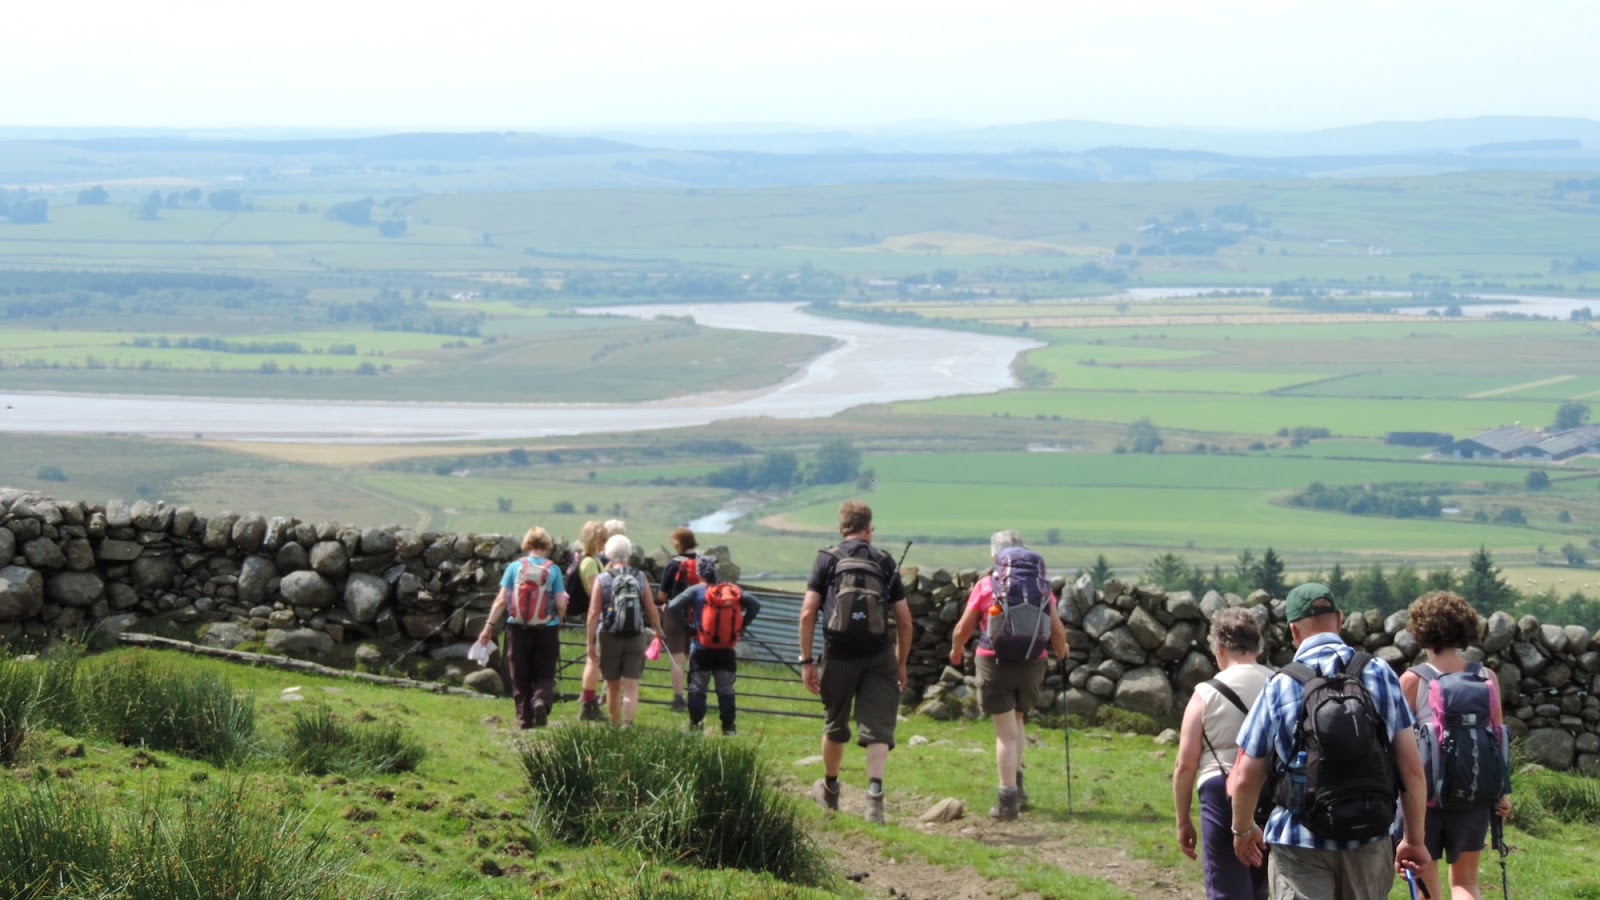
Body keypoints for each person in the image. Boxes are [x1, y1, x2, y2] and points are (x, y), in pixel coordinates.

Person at [1229, 582, 1432, 900]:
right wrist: (1414, 840)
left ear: (1294, 630)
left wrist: (1242, 830)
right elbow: (1411, 767)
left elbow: (1246, 774)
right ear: (1339, 619)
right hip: (1369, 837)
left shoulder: (1280, 684)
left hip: (1299, 841)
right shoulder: (1378, 672)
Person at [799, 500, 912, 825]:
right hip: (878, 654)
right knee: (878, 728)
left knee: (835, 722)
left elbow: (808, 612)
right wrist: (900, 662)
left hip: (837, 653)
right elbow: (905, 621)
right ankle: (874, 799)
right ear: (869, 529)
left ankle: (831, 789)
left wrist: (807, 661)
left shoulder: (827, 558)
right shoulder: (884, 560)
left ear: (842, 528)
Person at [1397, 590, 1512, 900]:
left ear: (1420, 631)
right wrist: (1500, 792)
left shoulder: (1412, 680)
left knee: (1426, 885)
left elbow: (1396, 744)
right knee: (1465, 883)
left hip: (1425, 798)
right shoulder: (1485, 677)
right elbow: (1497, 739)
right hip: (1474, 795)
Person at [947, 530, 1068, 821]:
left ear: (995, 555)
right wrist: (1062, 652)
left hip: (994, 660)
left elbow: (963, 628)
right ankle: (1019, 786)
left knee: (1004, 734)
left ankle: (1007, 801)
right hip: (1032, 662)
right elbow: (1057, 630)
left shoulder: (987, 585)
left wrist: (956, 650)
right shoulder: (1041, 587)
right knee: (1017, 721)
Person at [1172, 607, 1274, 899]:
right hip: (1272, 792)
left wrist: (1183, 820)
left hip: (1220, 791)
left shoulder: (1206, 692)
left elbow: (1185, 764)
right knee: (1263, 886)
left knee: (1227, 889)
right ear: (1258, 646)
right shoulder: (1280, 682)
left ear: (1219, 648)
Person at [477, 526, 568, 729]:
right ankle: (540, 702)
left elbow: (501, 600)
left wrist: (489, 626)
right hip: (546, 628)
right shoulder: (553, 570)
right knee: (545, 673)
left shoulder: (514, 568)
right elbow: (561, 602)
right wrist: (560, 619)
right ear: (547, 545)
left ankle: (524, 719)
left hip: (517, 628)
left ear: (527, 544)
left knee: (519, 674)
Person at [667, 558, 761, 736]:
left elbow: (673, 606)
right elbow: (755, 604)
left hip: (701, 647)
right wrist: (741, 626)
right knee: (726, 689)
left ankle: (696, 726)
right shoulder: (732, 591)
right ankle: (728, 728)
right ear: (716, 573)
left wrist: (689, 628)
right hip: (726, 649)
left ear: (699, 573)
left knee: (697, 687)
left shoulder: (695, 590)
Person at [585, 533, 663, 728]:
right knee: (631, 685)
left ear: (609, 555)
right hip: (636, 636)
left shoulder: (602, 579)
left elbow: (594, 613)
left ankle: (614, 723)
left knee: (613, 685)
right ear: (628, 554)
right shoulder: (639, 576)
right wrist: (658, 630)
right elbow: (651, 608)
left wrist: (590, 642)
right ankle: (627, 723)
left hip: (609, 637)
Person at [658, 526, 703, 712]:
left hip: (675, 616)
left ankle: (678, 698)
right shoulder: (702, 562)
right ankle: (696, 695)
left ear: (678, 543)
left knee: (677, 660)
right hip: (698, 616)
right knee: (692, 658)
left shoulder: (673, 564)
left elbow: (662, 595)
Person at [573, 520, 612, 721]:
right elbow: (597, 592)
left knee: (594, 661)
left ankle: (589, 703)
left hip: (595, 615)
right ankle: (588, 705)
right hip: (596, 616)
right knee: (593, 661)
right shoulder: (590, 563)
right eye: (604, 539)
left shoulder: (589, 560)